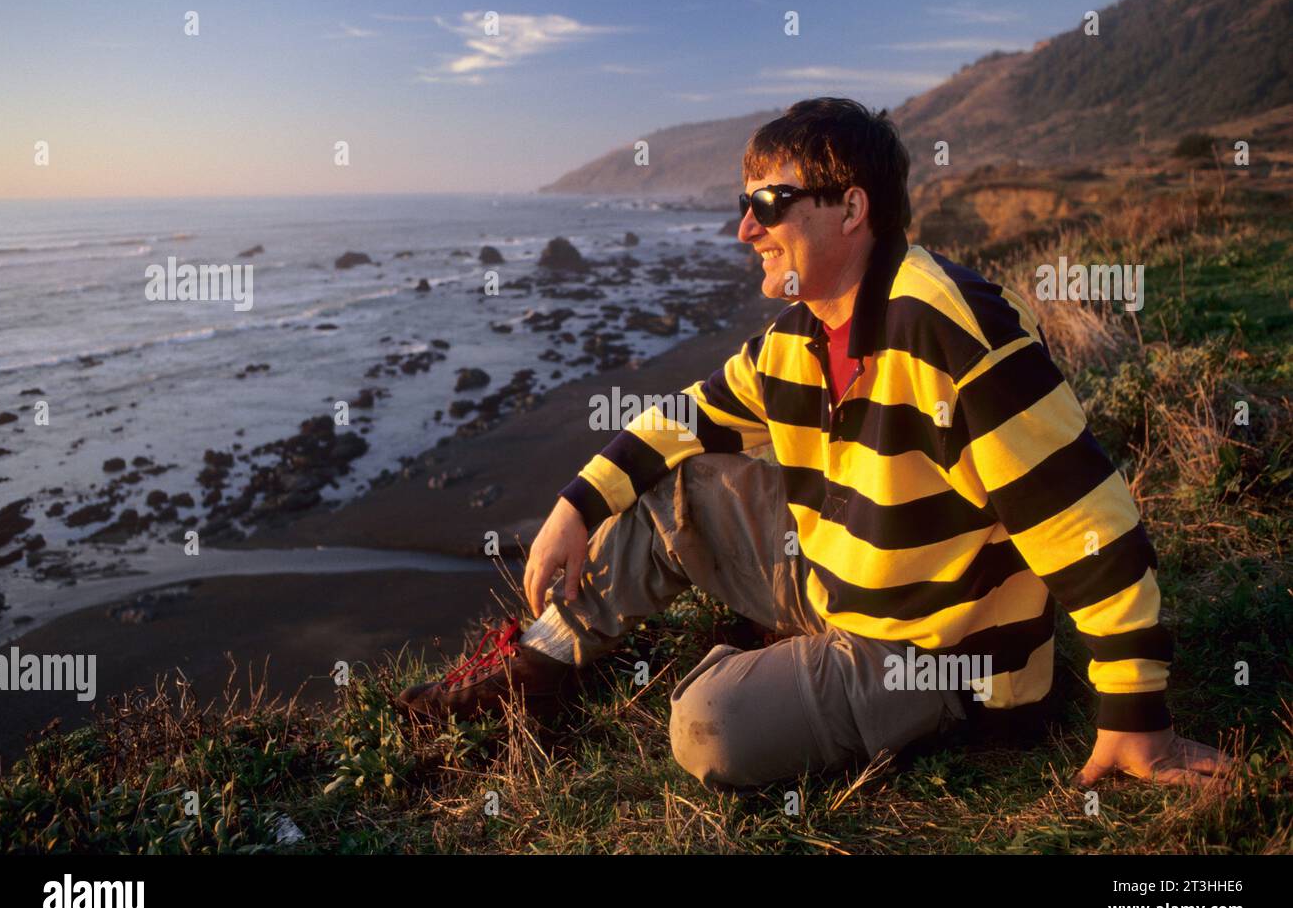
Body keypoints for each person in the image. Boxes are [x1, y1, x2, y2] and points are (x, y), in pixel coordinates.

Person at [396, 97, 1227, 791]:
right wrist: (575, 507)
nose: (743, 231)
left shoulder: (950, 329)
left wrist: (1135, 716)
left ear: (850, 208)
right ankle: (540, 667)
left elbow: (1091, 523)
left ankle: (766, 669)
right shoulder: (797, 335)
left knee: (706, 728)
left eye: (766, 204)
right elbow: (689, 417)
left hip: (940, 657)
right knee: (677, 485)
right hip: (844, 580)